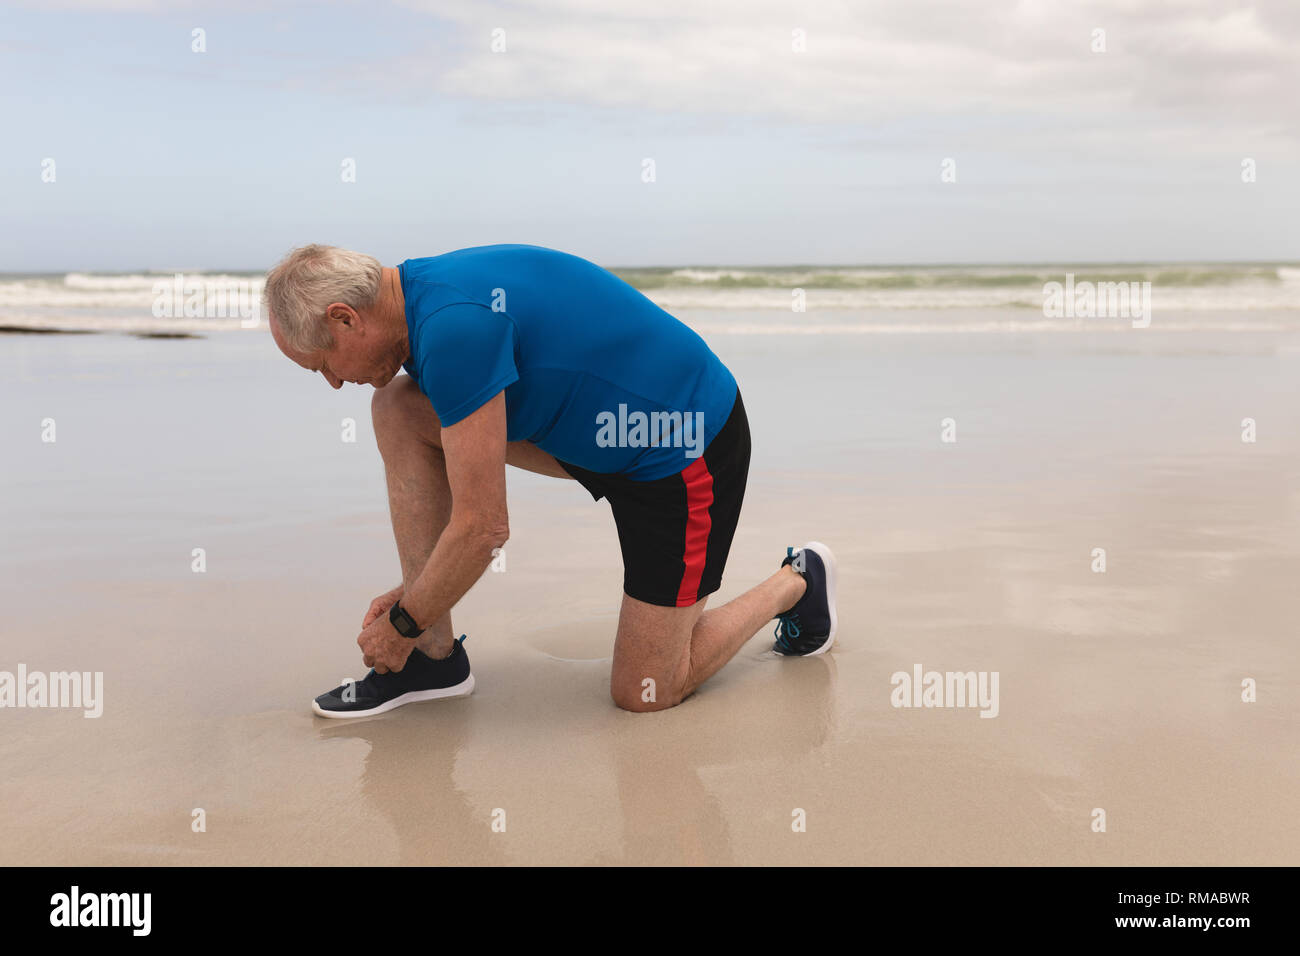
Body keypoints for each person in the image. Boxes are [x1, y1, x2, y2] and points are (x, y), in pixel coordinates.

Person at [263, 243, 837, 717]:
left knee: (646, 691)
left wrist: (403, 619)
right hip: (594, 431)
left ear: (345, 317)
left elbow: (483, 527)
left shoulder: (453, 329)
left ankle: (798, 582)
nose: (334, 384)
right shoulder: (414, 302)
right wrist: (421, 598)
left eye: (322, 365)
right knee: (400, 406)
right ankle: (431, 662)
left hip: (683, 451)